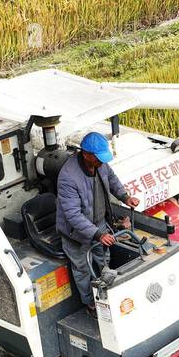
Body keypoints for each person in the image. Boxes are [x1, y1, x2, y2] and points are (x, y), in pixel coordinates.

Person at [56, 131, 140, 311]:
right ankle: (90, 304)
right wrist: (98, 234)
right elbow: (73, 215)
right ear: (86, 154)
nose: (103, 162)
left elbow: (111, 179)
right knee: (83, 268)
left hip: (99, 222)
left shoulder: (100, 164)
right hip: (76, 232)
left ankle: (108, 292)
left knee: (103, 259)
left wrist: (125, 197)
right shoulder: (68, 177)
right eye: (98, 158)